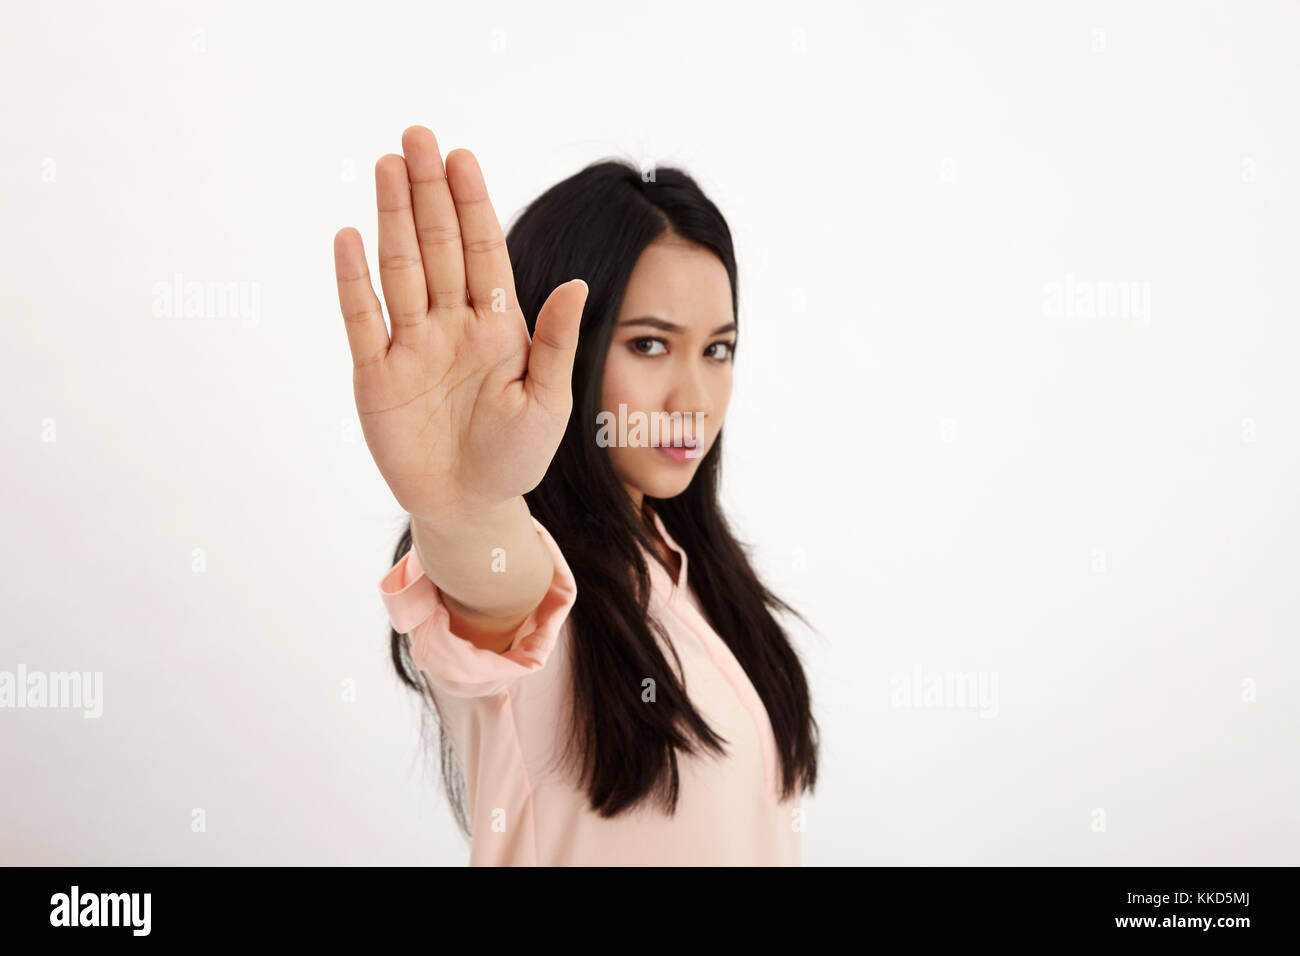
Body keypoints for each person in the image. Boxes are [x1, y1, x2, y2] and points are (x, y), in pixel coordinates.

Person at [333, 125, 819, 865]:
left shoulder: (690, 572)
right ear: (556, 344)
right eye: (649, 344)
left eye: (718, 349)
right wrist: (464, 506)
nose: (695, 396)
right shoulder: (538, 589)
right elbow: (495, 579)